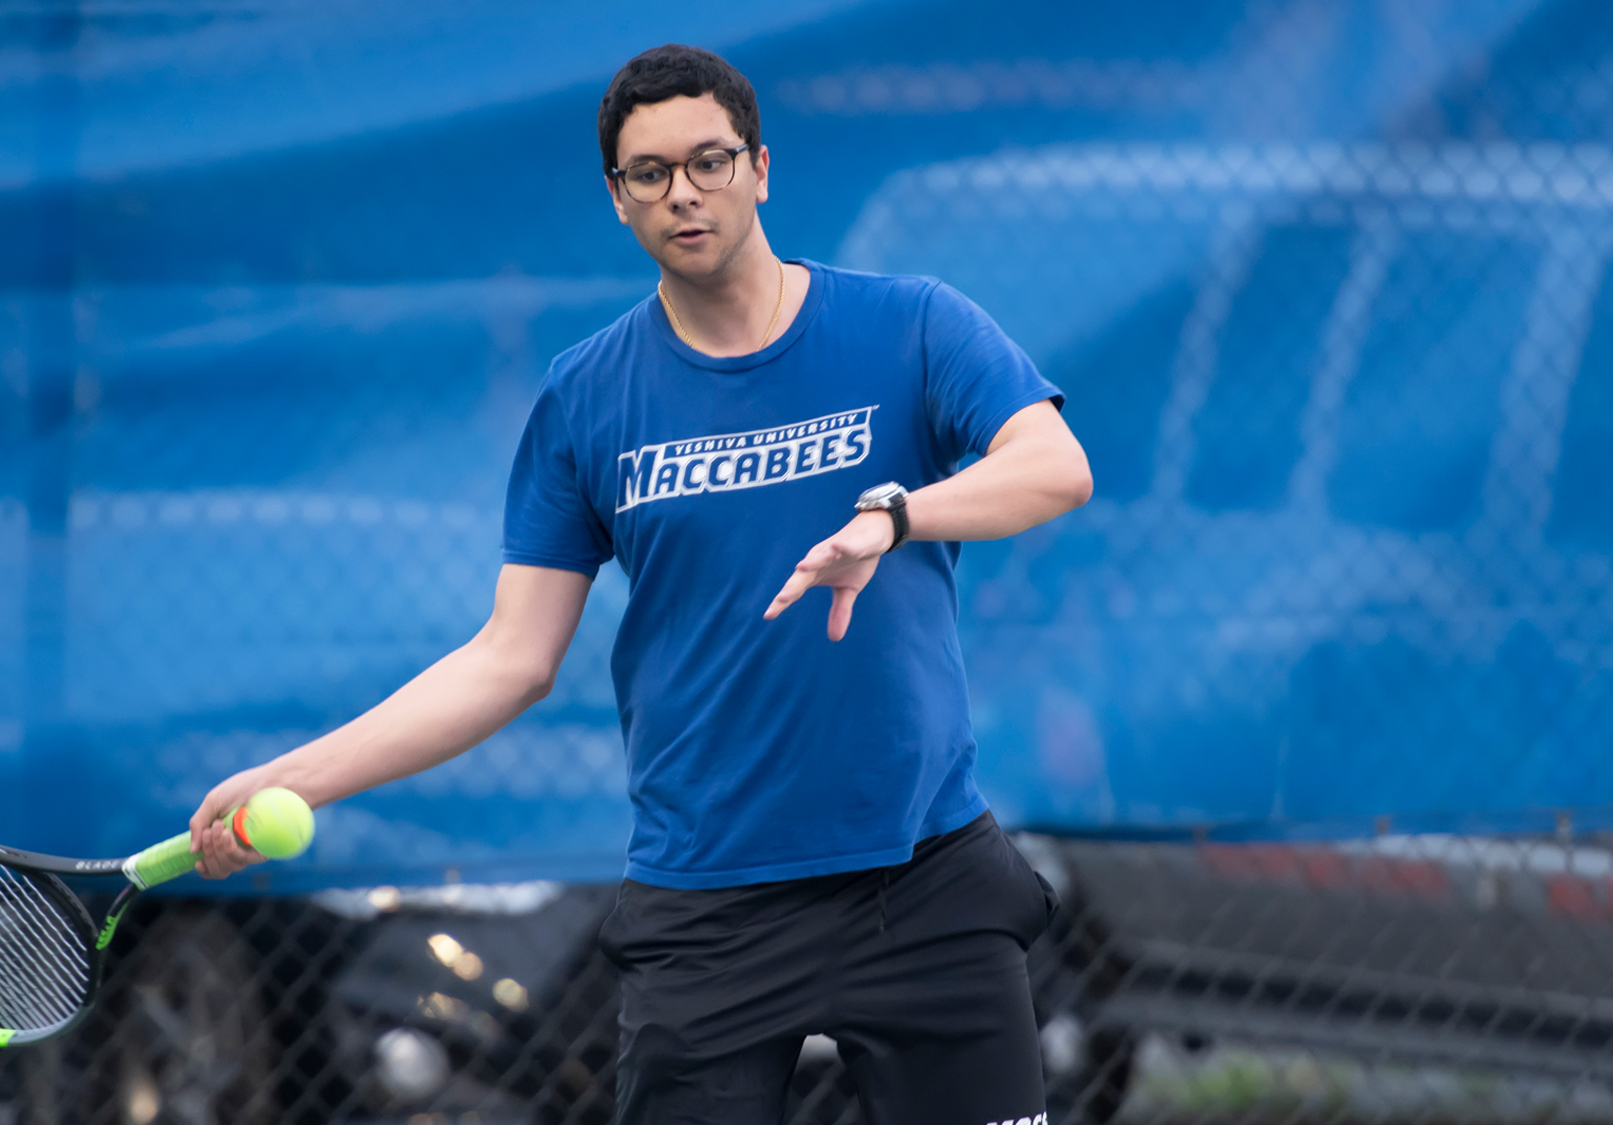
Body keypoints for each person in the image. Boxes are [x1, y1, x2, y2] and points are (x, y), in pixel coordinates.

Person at [189, 43, 1092, 1125]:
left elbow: (1051, 467)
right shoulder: (586, 399)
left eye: (708, 161)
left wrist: (898, 516)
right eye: (649, 173)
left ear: (760, 168)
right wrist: (293, 777)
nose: (683, 192)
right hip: (710, 901)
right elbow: (508, 659)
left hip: (924, 878)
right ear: (617, 201)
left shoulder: (911, 324)